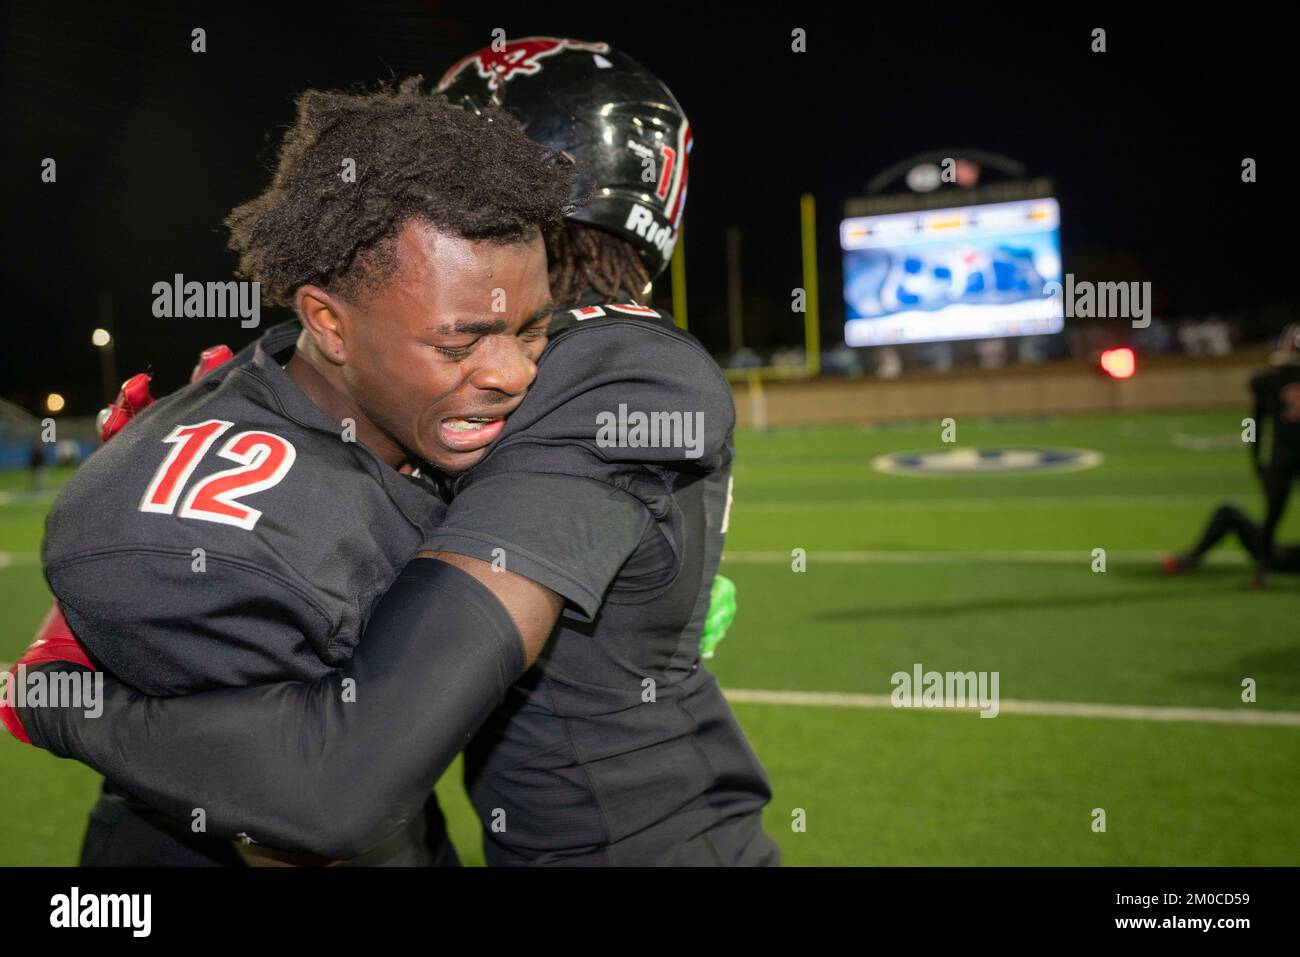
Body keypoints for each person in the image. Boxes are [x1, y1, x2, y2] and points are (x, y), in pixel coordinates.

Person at [11, 41, 778, 866]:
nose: (511, 368)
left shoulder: (601, 363)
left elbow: (340, 776)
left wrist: (70, 695)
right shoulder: (535, 359)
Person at [3, 78, 575, 867]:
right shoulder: (240, 545)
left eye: (532, 328)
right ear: (329, 323)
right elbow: (299, 821)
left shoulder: (337, 393)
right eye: (460, 342)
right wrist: (63, 707)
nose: (512, 371)